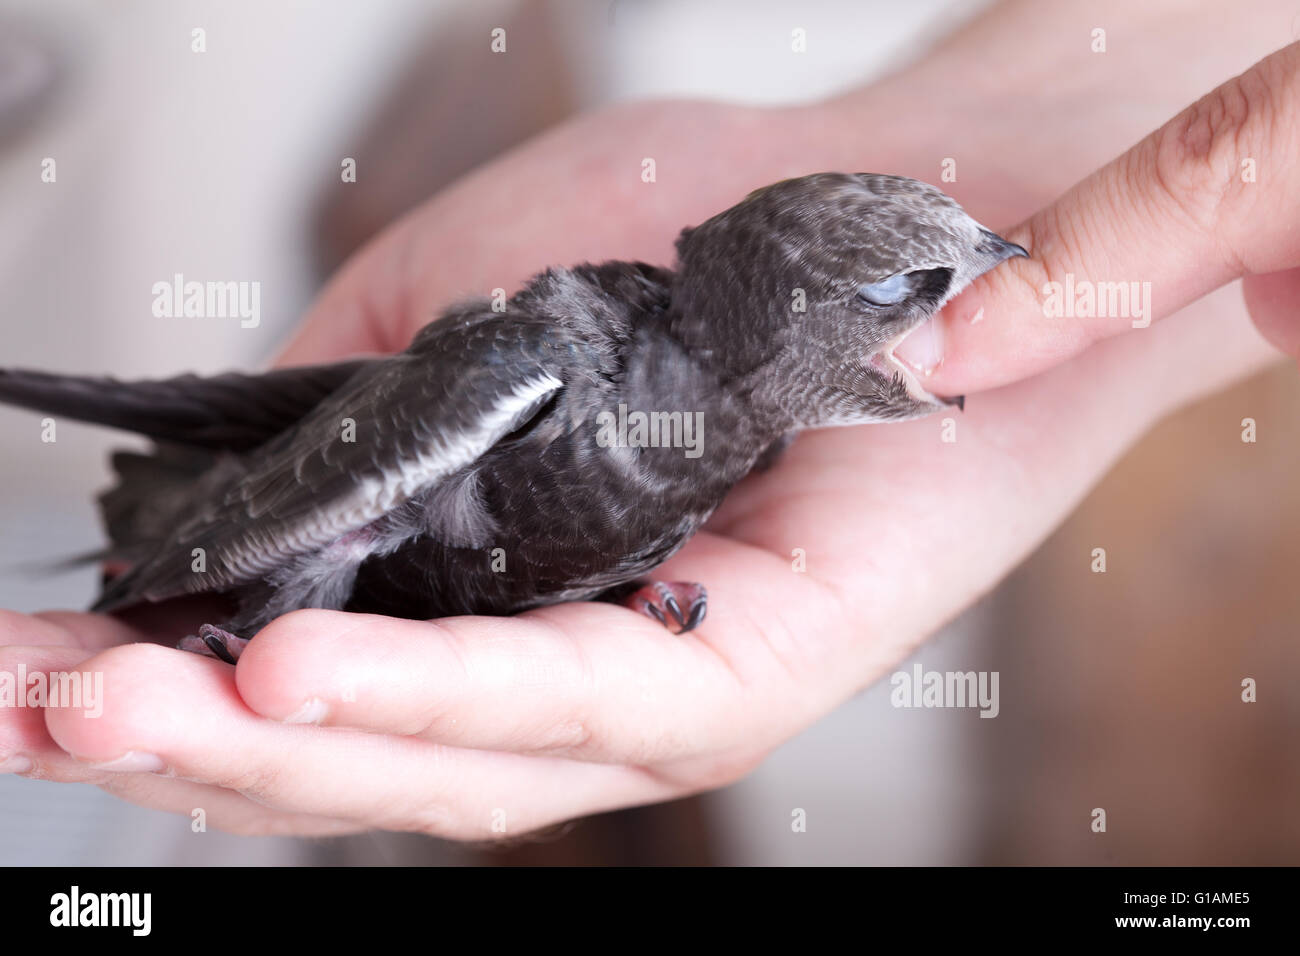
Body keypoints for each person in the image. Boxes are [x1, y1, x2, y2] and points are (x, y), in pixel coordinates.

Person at [1, 2, 1295, 838]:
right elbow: (341, 484)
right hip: (278, 499)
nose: (988, 272)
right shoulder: (550, 364)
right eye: (920, 281)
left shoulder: (758, 413)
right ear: (796, 321)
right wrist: (197, 581)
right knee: (303, 546)